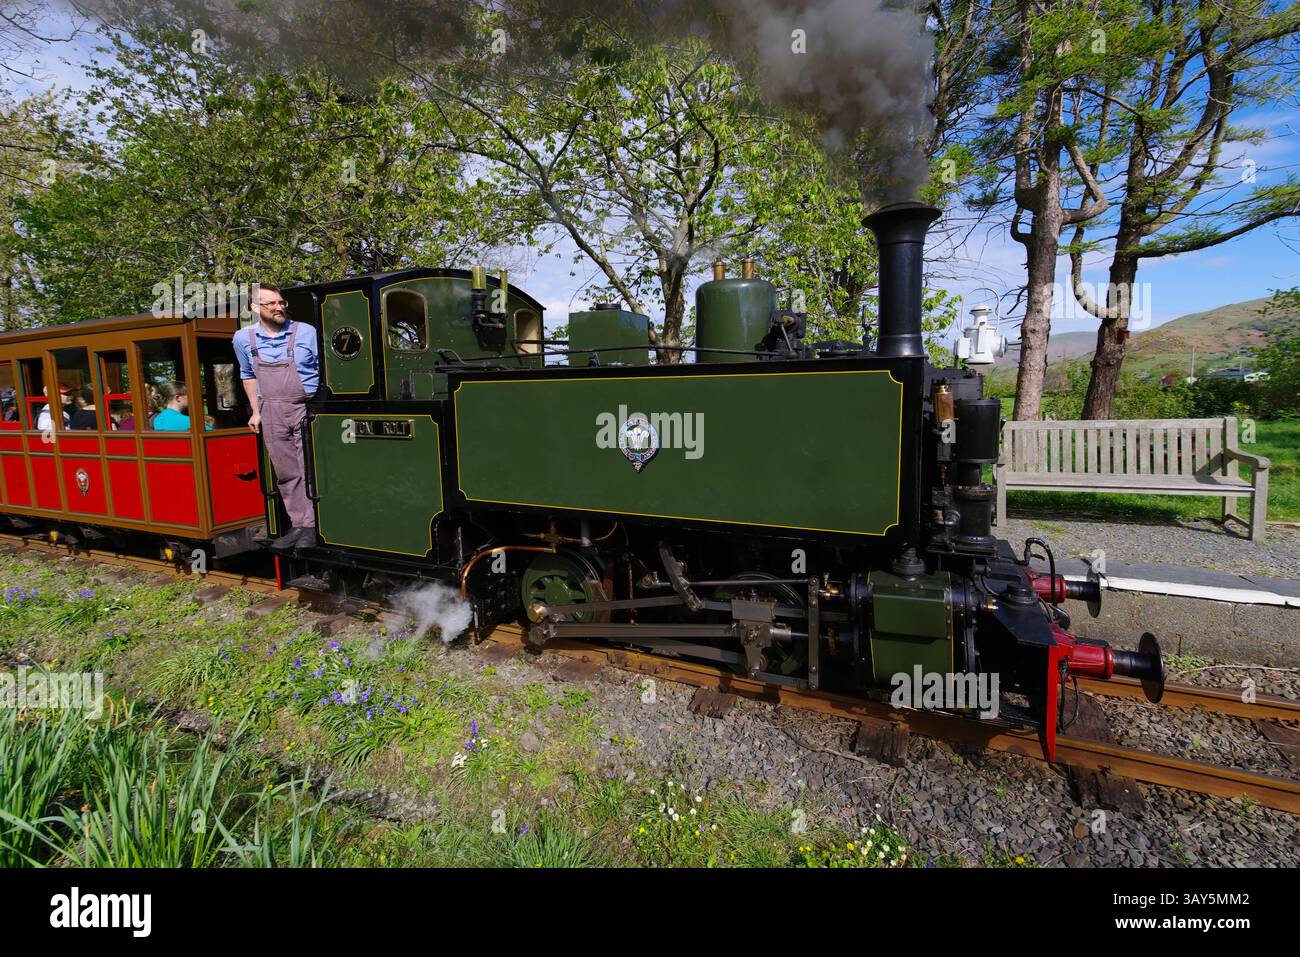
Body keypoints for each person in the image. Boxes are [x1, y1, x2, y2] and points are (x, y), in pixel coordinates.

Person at [234, 282, 320, 550]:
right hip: (271, 409)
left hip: (307, 406)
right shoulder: (243, 339)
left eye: (280, 302)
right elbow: (247, 375)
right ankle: (300, 525)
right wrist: (256, 411)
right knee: (286, 472)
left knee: (310, 468)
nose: (279, 307)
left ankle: (316, 526)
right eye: (270, 303)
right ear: (254, 308)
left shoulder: (306, 332)